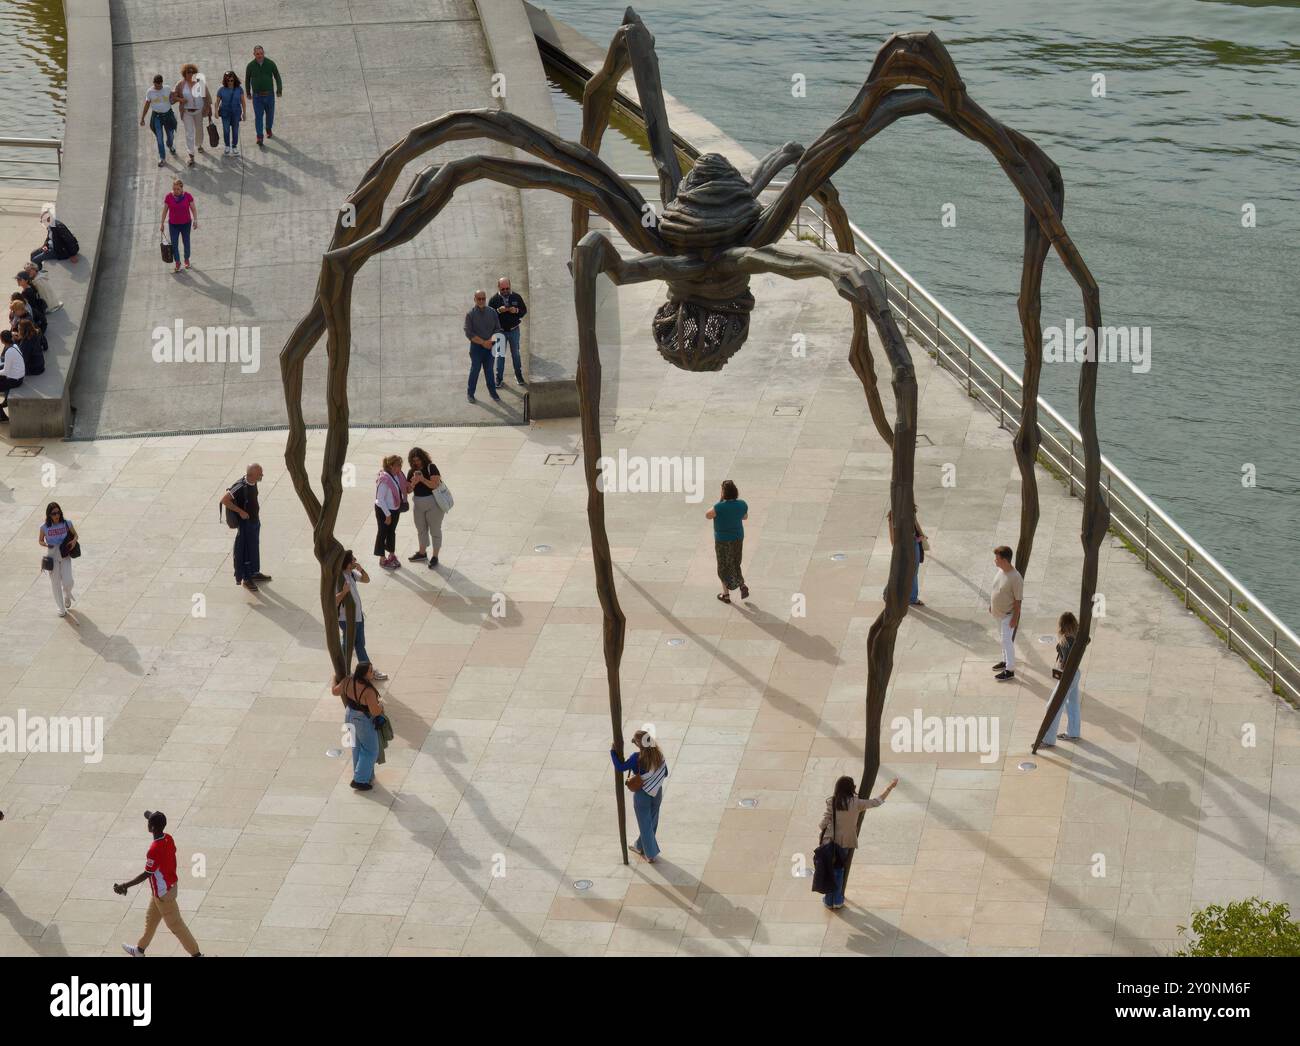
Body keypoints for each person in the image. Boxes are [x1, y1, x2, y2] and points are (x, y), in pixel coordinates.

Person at [115, 811, 203, 957]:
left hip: (164, 895)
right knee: (151, 919)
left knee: (176, 926)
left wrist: (124, 886)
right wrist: (149, 815)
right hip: (167, 888)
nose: (147, 824)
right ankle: (139, 950)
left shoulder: (154, 850)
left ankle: (197, 955)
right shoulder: (168, 838)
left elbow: (147, 874)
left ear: (152, 828)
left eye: (149, 822)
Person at [818, 774, 898, 910]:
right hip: (846, 842)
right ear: (851, 788)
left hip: (829, 841)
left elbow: (823, 823)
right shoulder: (856, 803)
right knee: (839, 870)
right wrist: (890, 787)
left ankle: (828, 899)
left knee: (829, 869)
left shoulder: (832, 801)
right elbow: (876, 802)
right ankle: (836, 900)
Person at [609, 730, 669, 862]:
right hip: (657, 792)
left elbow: (620, 767)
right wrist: (653, 780)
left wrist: (612, 752)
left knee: (645, 824)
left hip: (642, 794)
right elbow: (665, 772)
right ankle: (639, 845)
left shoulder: (637, 757)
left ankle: (650, 854)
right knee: (652, 821)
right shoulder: (659, 754)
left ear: (639, 745)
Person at [336, 551, 388, 681]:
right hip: (347, 619)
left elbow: (366, 580)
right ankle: (368, 671)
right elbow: (334, 601)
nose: (355, 560)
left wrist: (361, 569)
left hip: (358, 617)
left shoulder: (352, 574)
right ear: (348, 563)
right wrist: (343, 592)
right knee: (357, 645)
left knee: (356, 644)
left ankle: (351, 670)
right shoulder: (340, 579)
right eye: (353, 559)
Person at [332, 663, 384, 790]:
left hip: (349, 715)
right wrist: (381, 706)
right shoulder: (369, 691)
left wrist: (333, 679)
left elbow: (335, 691)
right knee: (371, 750)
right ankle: (360, 780)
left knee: (357, 748)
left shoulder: (348, 680)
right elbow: (375, 711)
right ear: (364, 673)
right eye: (371, 671)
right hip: (363, 721)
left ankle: (365, 776)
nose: (372, 673)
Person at [221, 463, 272, 591]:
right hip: (246, 525)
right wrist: (241, 512)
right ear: (251, 475)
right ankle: (246, 578)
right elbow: (224, 500)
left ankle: (254, 573)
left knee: (254, 548)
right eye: (259, 474)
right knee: (245, 551)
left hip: (254, 521)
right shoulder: (240, 486)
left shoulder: (253, 482)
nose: (262, 475)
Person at [1042, 612, 1083, 745]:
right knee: (1073, 704)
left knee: (1052, 707)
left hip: (1068, 676)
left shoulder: (1066, 641)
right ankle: (1073, 732)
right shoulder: (1080, 637)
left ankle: (1048, 739)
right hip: (1076, 673)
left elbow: (1064, 662)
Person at [706, 479, 749, 603]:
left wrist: (720, 501)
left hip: (723, 541)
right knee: (735, 563)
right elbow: (745, 517)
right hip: (738, 538)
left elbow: (708, 515)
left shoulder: (719, 507)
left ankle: (726, 595)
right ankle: (741, 585)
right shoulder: (742, 504)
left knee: (723, 567)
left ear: (723, 492)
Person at [405, 447, 445, 568]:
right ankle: (422, 553)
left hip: (433, 504)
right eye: (414, 460)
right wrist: (413, 483)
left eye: (418, 459)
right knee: (421, 529)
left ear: (423, 458)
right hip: (418, 504)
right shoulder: (411, 472)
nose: (416, 462)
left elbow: (435, 484)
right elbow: (408, 491)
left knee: (435, 530)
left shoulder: (431, 467)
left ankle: (435, 556)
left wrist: (422, 479)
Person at [37, 502, 78, 617]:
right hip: (52, 557)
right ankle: (61, 608)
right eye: (54, 513)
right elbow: (40, 540)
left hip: (65, 555)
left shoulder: (67, 523)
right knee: (55, 584)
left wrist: (73, 541)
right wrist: (45, 545)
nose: (57, 515)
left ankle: (67, 594)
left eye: (58, 512)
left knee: (68, 581)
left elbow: (75, 535)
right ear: (49, 515)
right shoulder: (44, 527)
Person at [990, 545, 1023, 681]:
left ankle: (1010, 670)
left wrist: (1015, 618)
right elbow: (995, 589)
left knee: (1006, 641)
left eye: (997, 558)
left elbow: (1018, 601)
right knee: (1002, 640)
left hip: (1008, 616)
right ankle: (1004, 661)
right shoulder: (1000, 571)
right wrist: (991, 604)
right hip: (998, 613)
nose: (995, 561)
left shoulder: (1015, 578)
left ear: (1004, 560)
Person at [488, 275, 527, 388]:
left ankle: (518, 375)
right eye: (503, 289)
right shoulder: (493, 300)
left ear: (510, 286)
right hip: (500, 332)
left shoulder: (516, 297)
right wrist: (498, 311)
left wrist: (516, 310)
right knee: (500, 356)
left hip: (514, 331)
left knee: (516, 354)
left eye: (507, 288)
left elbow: (524, 311)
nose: (505, 291)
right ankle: (499, 379)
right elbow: (489, 317)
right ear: (498, 288)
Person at [464, 289, 502, 404]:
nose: (481, 301)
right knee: (475, 370)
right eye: (479, 298)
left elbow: (497, 329)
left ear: (485, 299)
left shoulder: (492, 312)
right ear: (474, 299)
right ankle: (470, 394)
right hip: (476, 349)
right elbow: (469, 333)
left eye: (483, 298)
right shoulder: (470, 314)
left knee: (489, 371)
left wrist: (490, 341)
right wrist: (483, 343)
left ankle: (492, 392)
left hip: (490, 347)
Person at [887, 504, 928, 606]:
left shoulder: (910, 508)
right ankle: (890, 594)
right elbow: (893, 538)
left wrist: (922, 536)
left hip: (914, 545)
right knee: (902, 573)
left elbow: (915, 522)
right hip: (903, 548)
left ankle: (912, 597)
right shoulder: (894, 514)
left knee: (914, 572)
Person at [171, 64, 211, 166]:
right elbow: (173, 97)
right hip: (186, 111)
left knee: (199, 129)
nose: (190, 74)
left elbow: (207, 97)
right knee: (189, 133)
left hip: (199, 111)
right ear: (184, 73)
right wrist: (181, 99)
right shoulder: (180, 84)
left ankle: (199, 144)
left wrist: (209, 109)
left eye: (192, 72)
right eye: (188, 72)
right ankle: (191, 155)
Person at [244, 45, 283, 147]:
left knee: (270, 115)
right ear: (254, 54)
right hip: (257, 97)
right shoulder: (250, 66)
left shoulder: (270, 63)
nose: (260, 55)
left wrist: (279, 89)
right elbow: (247, 80)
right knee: (258, 117)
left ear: (263, 53)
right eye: (257, 54)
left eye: (261, 53)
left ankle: (268, 128)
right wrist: (248, 92)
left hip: (269, 95)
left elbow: (277, 76)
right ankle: (259, 137)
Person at [374, 455, 405, 570]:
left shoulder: (397, 476)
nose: (400, 468)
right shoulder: (384, 479)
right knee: (382, 533)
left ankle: (391, 555)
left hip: (394, 509)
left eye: (400, 465)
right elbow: (380, 499)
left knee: (391, 532)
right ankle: (382, 559)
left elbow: (401, 488)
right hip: (384, 510)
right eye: (398, 465)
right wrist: (387, 514)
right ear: (391, 466)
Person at [139, 73, 177, 166]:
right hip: (157, 117)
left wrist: (178, 99)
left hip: (168, 115)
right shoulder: (150, 92)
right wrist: (142, 118)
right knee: (159, 138)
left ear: (162, 83)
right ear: (153, 83)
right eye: (156, 85)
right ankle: (162, 158)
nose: (158, 87)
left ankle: (170, 145)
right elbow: (147, 105)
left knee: (170, 135)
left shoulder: (167, 88)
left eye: (159, 85)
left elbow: (174, 96)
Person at [160, 179, 198, 273]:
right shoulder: (168, 197)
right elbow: (165, 211)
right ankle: (177, 262)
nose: (175, 191)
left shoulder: (188, 196)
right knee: (174, 245)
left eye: (177, 189)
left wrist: (195, 220)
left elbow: (193, 209)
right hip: (173, 225)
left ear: (182, 189)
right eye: (174, 189)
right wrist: (162, 223)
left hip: (186, 224)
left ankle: (186, 259)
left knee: (186, 242)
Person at [215, 70, 246, 156]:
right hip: (225, 113)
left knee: (235, 130)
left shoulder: (239, 89)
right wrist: (216, 111)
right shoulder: (221, 90)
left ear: (234, 80)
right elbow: (217, 102)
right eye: (228, 80)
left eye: (231, 80)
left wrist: (244, 113)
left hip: (236, 113)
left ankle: (234, 146)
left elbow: (243, 102)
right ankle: (227, 145)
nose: (230, 82)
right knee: (226, 130)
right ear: (225, 80)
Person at [0, 328, 26, 424]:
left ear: (2, 340)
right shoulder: (14, 345)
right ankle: (5, 403)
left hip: (15, 380)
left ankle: (2, 417)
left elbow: (6, 372)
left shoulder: (9, 352)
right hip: (18, 376)